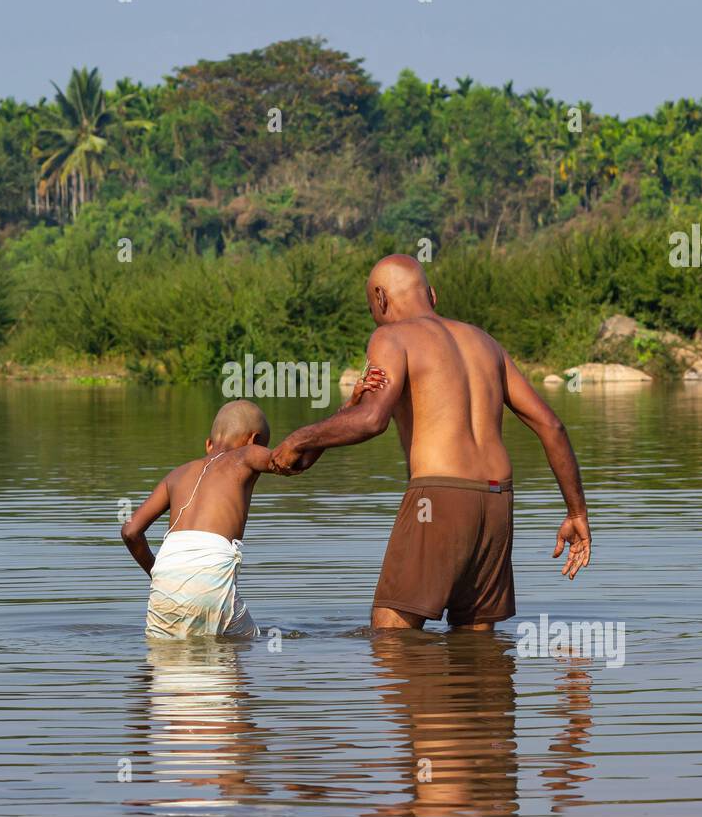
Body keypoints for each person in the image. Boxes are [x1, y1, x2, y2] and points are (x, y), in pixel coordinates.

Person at [270, 254, 591, 630]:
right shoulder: (485, 343)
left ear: (381, 298)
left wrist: (298, 439)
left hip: (437, 498)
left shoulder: (391, 337)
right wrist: (576, 513)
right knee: (479, 648)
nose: (374, 315)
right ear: (433, 296)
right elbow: (552, 426)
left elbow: (373, 420)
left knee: (391, 639)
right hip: (496, 500)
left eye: (371, 307)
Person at [123, 372, 386, 638]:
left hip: (164, 586)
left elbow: (130, 531)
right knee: (245, 652)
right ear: (254, 440)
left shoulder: (176, 475)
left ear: (208, 443)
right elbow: (295, 462)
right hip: (211, 582)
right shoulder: (246, 455)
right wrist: (347, 409)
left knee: (164, 670)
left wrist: (158, 573)